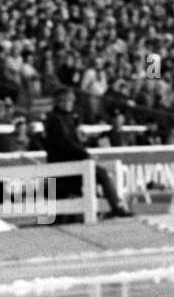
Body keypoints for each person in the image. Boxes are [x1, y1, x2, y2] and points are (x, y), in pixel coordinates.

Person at [42, 88, 131, 218]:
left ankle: (108, 208)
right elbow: (66, 144)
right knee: (102, 174)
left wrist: (90, 142)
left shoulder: (66, 118)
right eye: (69, 100)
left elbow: (73, 142)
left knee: (98, 176)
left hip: (71, 164)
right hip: (65, 167)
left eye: (72, 100)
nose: (71, 103)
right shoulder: (56, 119)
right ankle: (116, 207)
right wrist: (86, 155)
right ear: (60, 101)